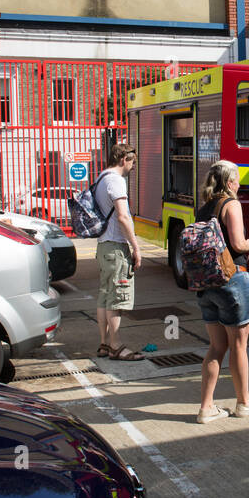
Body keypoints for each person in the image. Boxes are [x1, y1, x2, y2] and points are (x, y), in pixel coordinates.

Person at [194, 160, 249, 424]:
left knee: (216, 347)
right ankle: (245, 402)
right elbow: (238, 243)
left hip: (207, 284)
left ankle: (206, 408)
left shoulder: (203, 208)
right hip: (232, 280)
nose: (239, 184)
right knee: (239, 346)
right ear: (229, 183)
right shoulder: (232, 204)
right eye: (237, 179)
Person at [94, 144, 145, 360]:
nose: (133, 167)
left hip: (104, 246)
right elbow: (123, 217)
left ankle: (105, 344)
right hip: (116, 247)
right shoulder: (116, 180)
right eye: (132, 162)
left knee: (105, 297)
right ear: (124, 159)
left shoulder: (101, 178)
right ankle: (116, 345)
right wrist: (136, 246)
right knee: (117, 298)